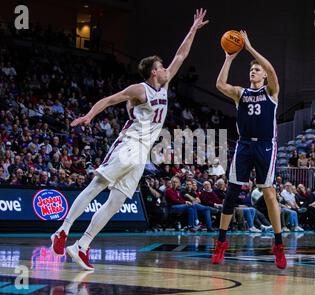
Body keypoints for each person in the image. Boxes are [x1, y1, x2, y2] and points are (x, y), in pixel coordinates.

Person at [50, 9, 209, 271]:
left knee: (117, 201)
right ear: (153, 72)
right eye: (161, 67)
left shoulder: (164, 85)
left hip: (142, 153)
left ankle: (82, 246)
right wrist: (90, 115)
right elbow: (110, 100)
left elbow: (181, 54)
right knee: (97, 186)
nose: (166, 70)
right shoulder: (139, 89)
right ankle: (62, 230)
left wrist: (192, 29)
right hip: (128, 144)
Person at [211, 30, 287, 269]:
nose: (253, 71)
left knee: (269, 193)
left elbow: (273, 71)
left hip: (265, 144)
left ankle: (278, 244)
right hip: (244, 144)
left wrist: (250, 48)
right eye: (251, 69)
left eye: (257, 69)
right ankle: (221, 242)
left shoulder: (271, 92)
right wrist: (230, 57)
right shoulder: (241, 93)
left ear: (263, 74)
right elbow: (220, 84)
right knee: (231, 194)